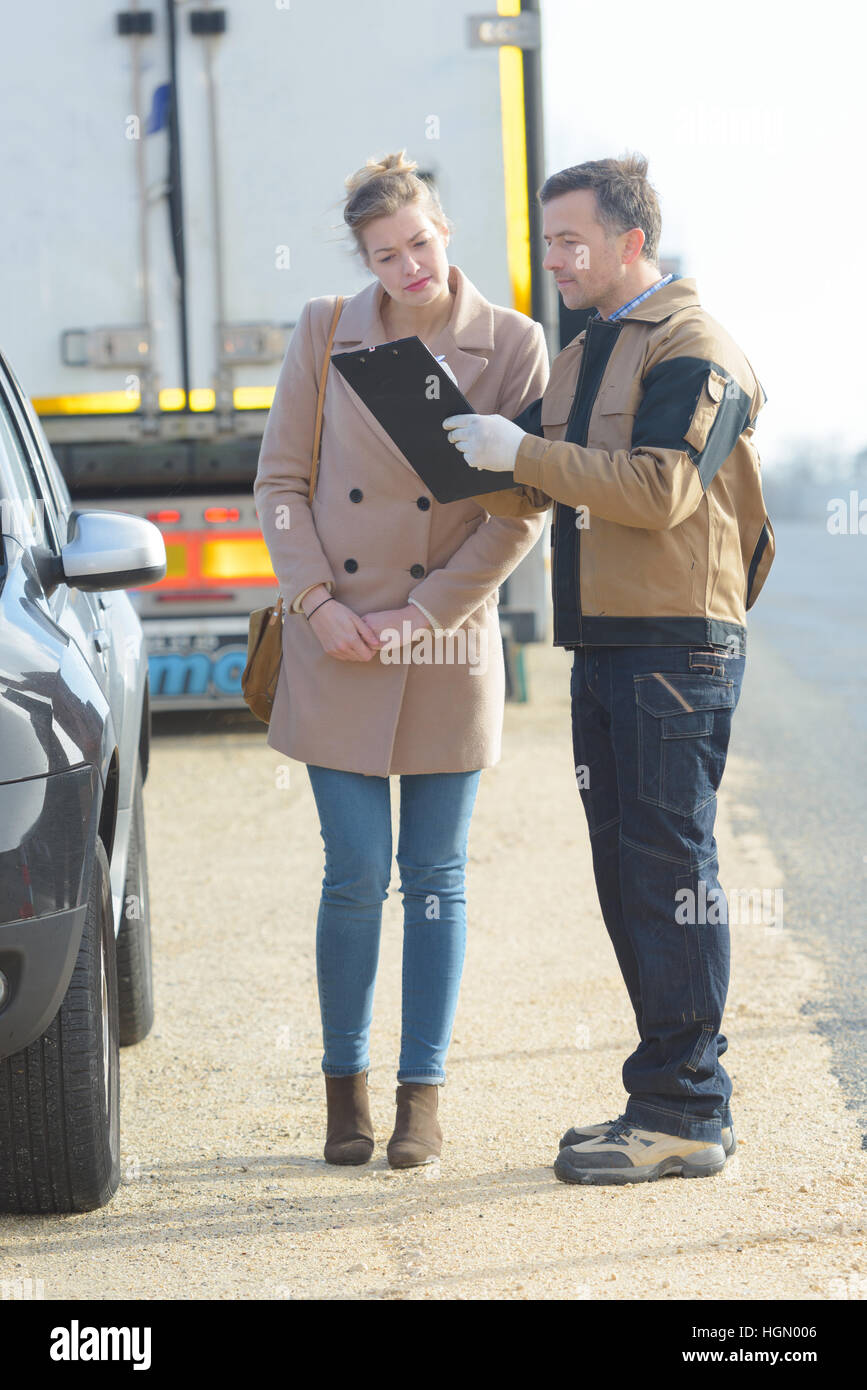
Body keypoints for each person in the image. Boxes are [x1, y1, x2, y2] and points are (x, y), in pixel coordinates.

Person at [443, 152, 775, 1185]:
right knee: (629, 877)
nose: (555, 259)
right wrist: (452, 455)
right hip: (608, 649)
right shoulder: (587, 354)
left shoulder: (694, 343)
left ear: (635, 241)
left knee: (673, 878)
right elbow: (541, 487)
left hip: (678, 650)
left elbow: (662, 489)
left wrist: (522, 452)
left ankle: (687, 1108)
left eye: (573, 239)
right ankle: (664, 1097)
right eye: (548, 241)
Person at [254, 152, 548, 1169]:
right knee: (357, 871)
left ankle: (422, 1096)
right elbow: (282, 483)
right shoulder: (326, 329)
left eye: (419, 242)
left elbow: (519, 516)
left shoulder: (513, 345)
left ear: (444, 229)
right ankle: (346, 1090)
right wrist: (315, 600)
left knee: (434, 877)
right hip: (336, 639)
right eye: (386, 255)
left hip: (445, 639)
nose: (408, 265)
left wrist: (423, 613)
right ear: (365, 259)